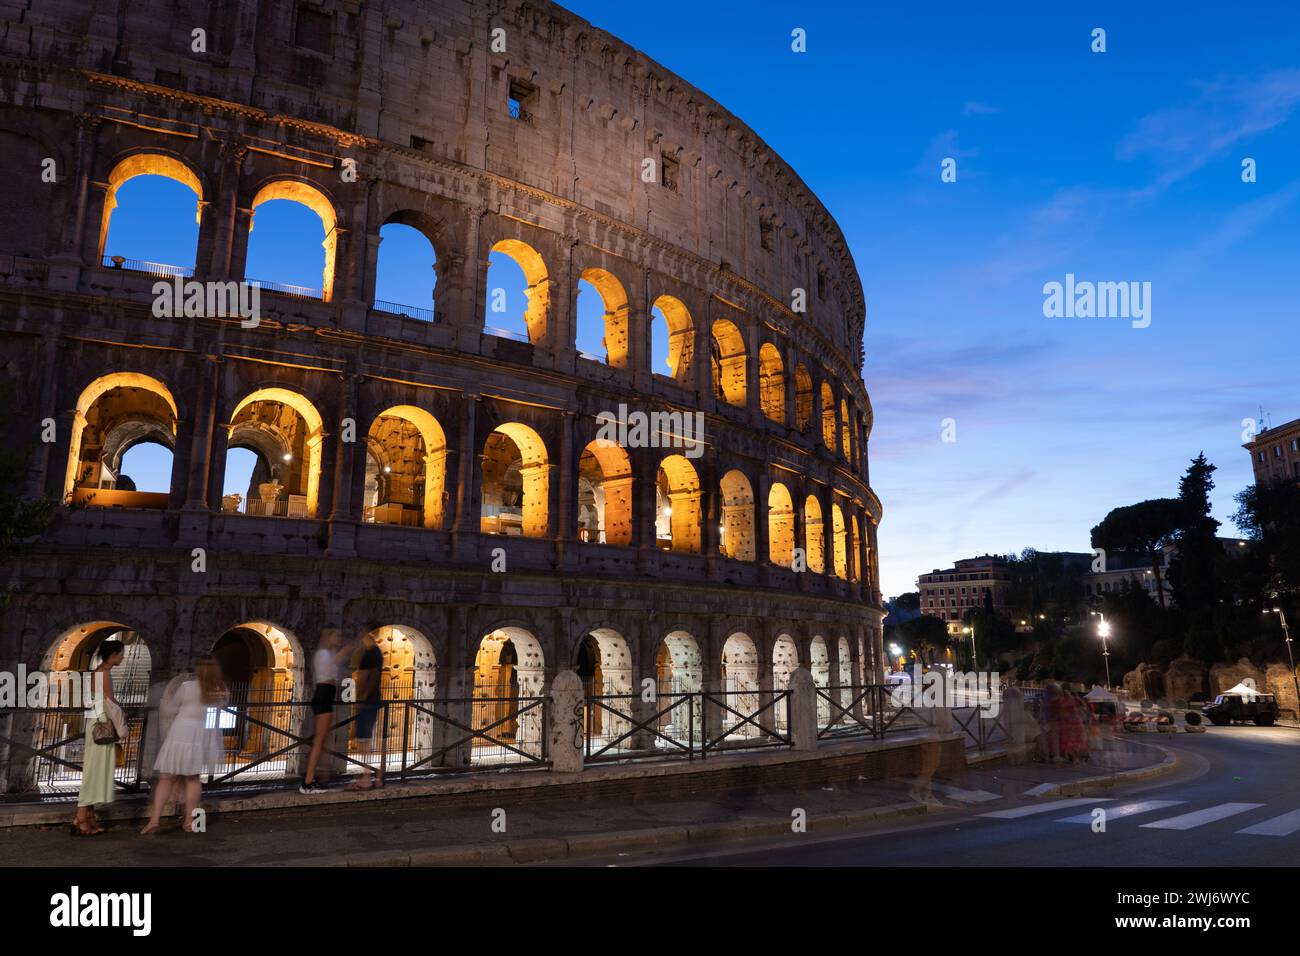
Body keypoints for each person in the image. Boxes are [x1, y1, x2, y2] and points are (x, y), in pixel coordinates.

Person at [139, 658, 227, 835]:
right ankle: (189, 821)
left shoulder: (187, 686)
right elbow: (218, 714)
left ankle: (154, 820)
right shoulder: (221, 690)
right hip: (200, 736)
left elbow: (170, 709)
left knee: (166, 778)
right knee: (193, 779)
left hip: (180, 734)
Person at [72, 640, 127, 836]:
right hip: (102, 724)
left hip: (96, 721)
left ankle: (89, 817)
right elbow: (111, 701)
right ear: (113, 654)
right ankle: (80, 818)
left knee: (95, 770)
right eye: (121, 653)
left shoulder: (99, 671)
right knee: (94, 772)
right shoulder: (103, 673)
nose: (123, 657)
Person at [300, 628, 348, 794]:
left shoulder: (327, 653)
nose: (340, 638)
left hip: (325, 696)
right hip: (323, 696)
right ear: (329, 636)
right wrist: (351, 647)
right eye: (337, 635)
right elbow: (331, 665)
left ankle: (317, 777)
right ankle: (307, 783)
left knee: (323, 741)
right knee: (319, 742)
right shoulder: (323, 654)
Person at [346, 631, 385, 791]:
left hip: (367, 701)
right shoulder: (378, 652)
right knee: (374, 739)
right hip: (374, 699)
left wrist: (358, 701)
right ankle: (378, 777)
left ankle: (367, 777)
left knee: (363, 740)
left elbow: (363, 678)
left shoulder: (369, 654)